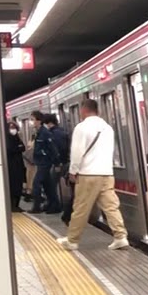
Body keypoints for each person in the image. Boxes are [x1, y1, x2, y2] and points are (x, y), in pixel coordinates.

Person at [56, 99, 129, 251]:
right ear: (97, 110)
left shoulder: (81, 127)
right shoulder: (107, 128)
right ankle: (120, 236)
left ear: (83, 110)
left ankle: (72, 240)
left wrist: (73, 171)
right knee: (111, 207)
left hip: (88, 174)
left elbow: (77, 152)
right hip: (106, 173)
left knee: (81, 207)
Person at [29, 112, 61, 214]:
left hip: (45, 163)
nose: (31, 122)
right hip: (40, 162)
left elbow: (53, 149)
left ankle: (36, 207)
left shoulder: (45, 133)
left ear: (39, 121)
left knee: (36, 183)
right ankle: (54, 205)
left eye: (32, 119)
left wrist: (57, 163)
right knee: (48, 185)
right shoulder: (38, 133)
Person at [5, 119, 26, 211]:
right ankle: (12, 205)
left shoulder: (17, 137)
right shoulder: (6, 138)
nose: (13, 130)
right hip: (11, 167)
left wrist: (18, 148)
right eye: (11, 128)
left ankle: (16, 205)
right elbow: (10, 149)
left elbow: (23, 147)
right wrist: (18, 148)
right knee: (12, 185)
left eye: (14, 127)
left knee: (18, 185)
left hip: (19, 165)